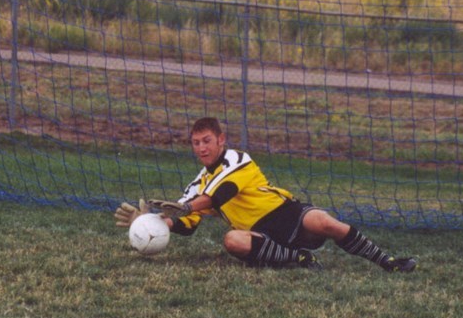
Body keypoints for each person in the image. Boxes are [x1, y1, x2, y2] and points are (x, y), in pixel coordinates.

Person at [115, 116, 417, 272]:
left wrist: (188, 206)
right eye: (196, 143)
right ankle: (298, 258)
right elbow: (188, 223)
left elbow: (220, 196)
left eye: (206, 140)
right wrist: (152, 222)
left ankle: (387, 261)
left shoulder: (237, 159)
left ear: (221, 140)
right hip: (261, 235)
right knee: (232, 241)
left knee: (326, 222)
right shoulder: (198, 185)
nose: (201, 148)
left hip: (287, 215)